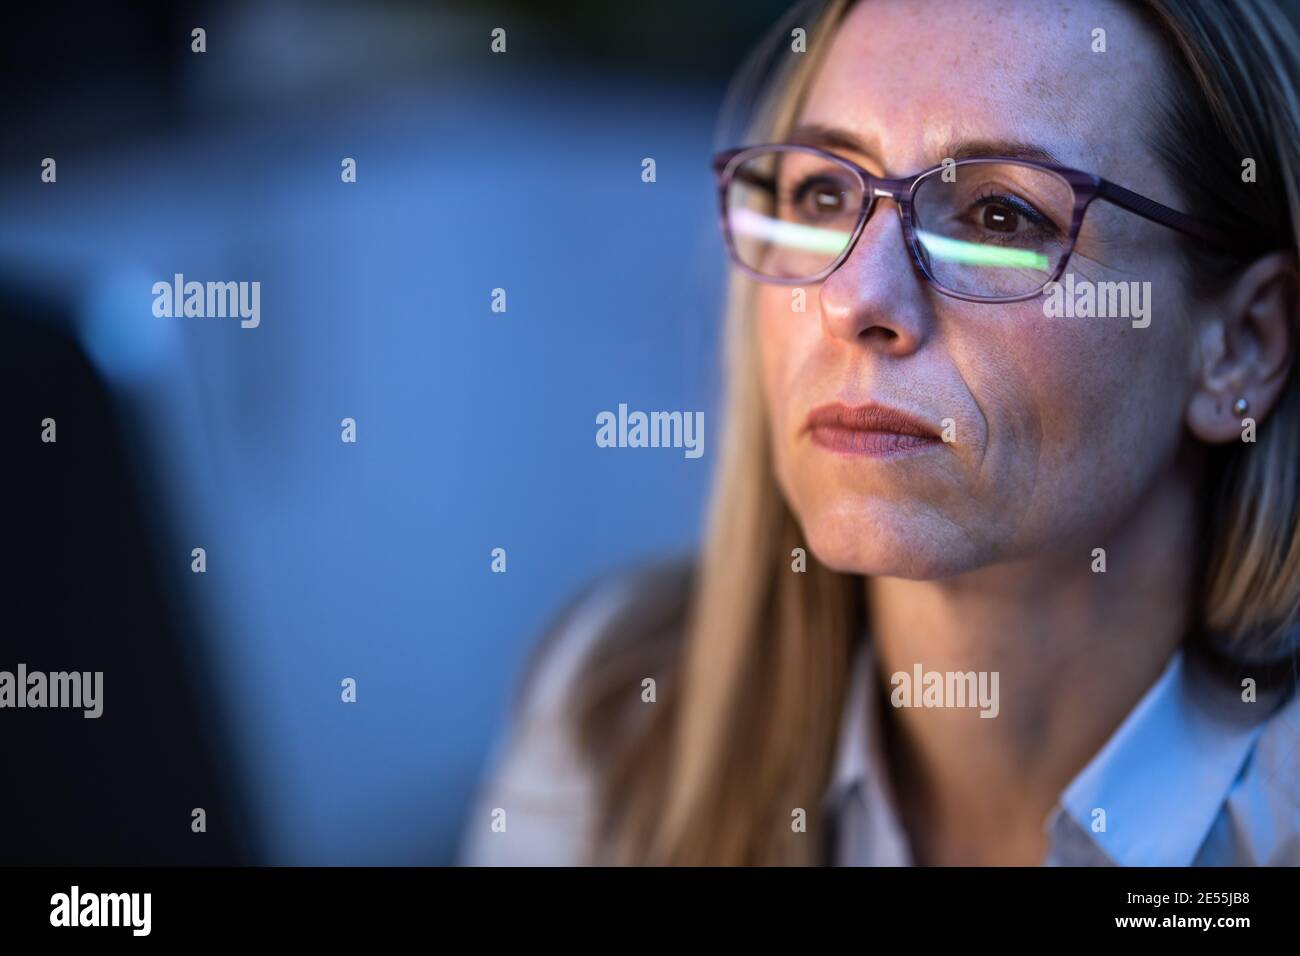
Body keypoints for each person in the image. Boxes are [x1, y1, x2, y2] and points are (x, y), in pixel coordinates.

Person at [461, 0, 1300, 866]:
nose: (854, 298)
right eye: (824, 195)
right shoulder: (616, 718)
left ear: (1241, 347)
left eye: (1002, 215)